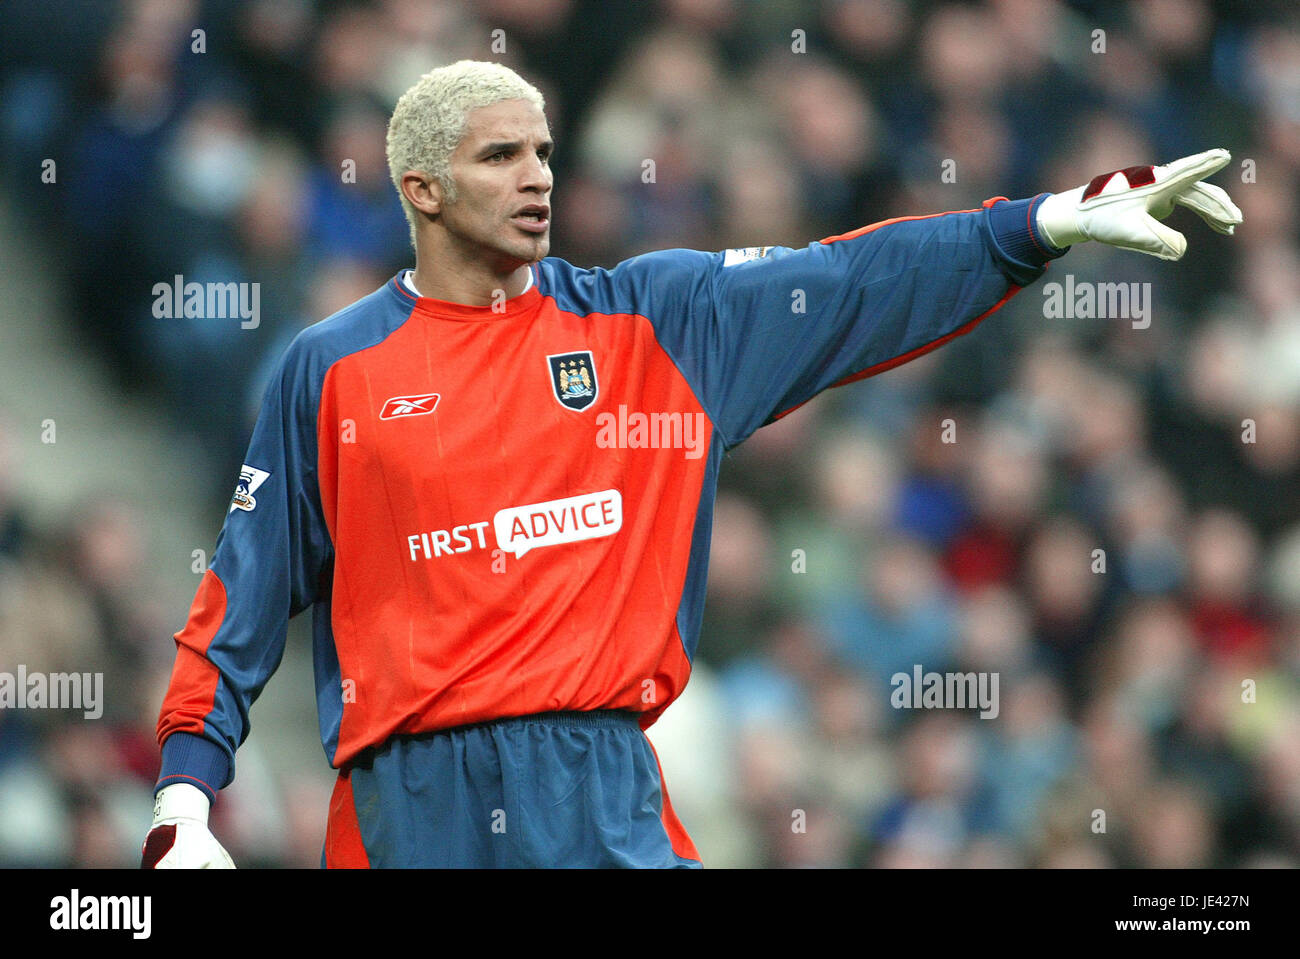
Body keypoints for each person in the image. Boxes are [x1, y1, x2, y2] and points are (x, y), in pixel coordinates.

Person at [141, 60, 1241, 868]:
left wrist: (1038, 222)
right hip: (406, 806)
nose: (537, 177)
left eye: (543, 151)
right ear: (421, 188)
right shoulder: (331, 370)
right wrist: (187, 801)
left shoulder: (654, 323)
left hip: (603, 784)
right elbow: (239, 592)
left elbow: (847, 281)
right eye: (499, 155)